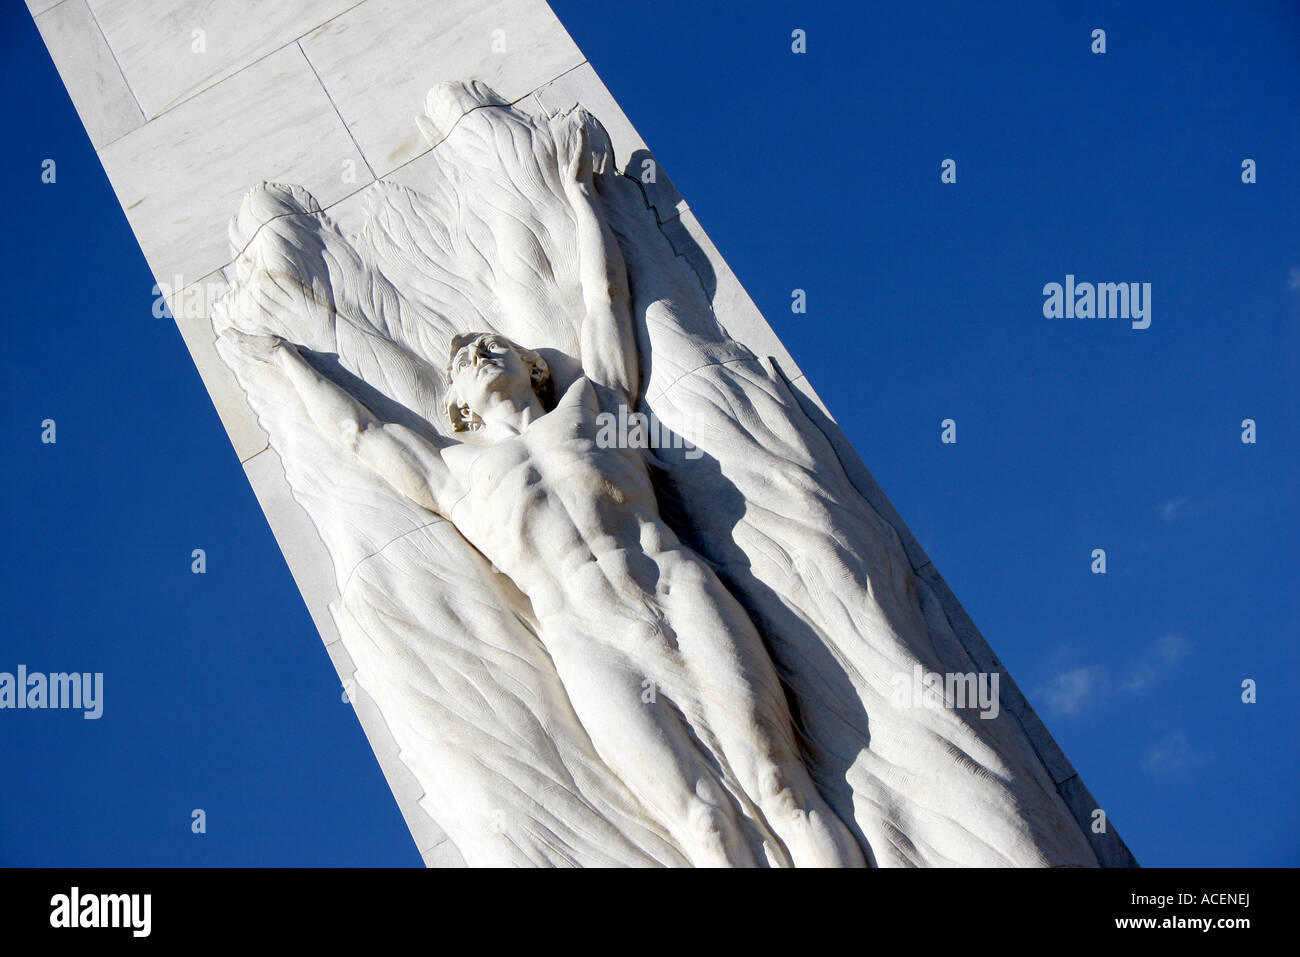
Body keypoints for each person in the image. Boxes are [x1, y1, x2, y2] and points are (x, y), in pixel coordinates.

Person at [230, 121, 864, 867]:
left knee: (779, 786)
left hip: (674, 584)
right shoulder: (456, 475)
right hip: (588, 639)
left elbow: (604, 297)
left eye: (492, 342)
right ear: (458, 405)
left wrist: (578, 194)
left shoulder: (593, 404)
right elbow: (363, 436)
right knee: (704, 821)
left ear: (535, 366)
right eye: (465, 356)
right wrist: (284, 363)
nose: (478, 349)